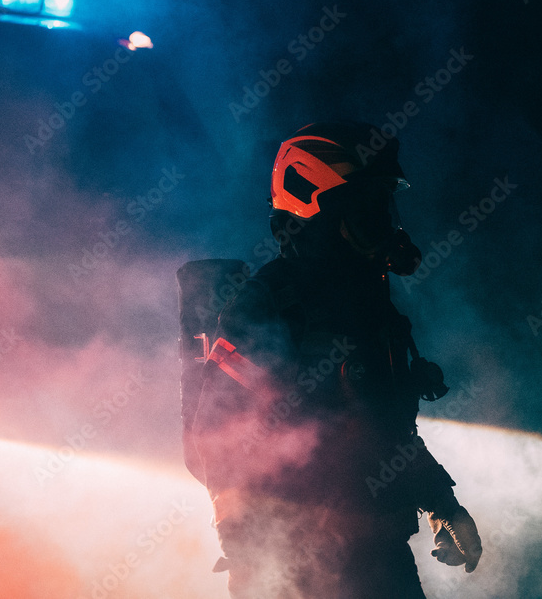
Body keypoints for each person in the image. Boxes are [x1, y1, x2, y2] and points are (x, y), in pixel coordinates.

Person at [187, 122, 482, 598]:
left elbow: (383, 429)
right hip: (300, 568)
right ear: (316, 211)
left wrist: (441, 502)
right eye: (367, 209)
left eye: (384, 207)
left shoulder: (368, 305)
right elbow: (217, 435)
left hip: (379, 558)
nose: (384, 225)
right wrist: (254, 556)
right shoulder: (270, 304)